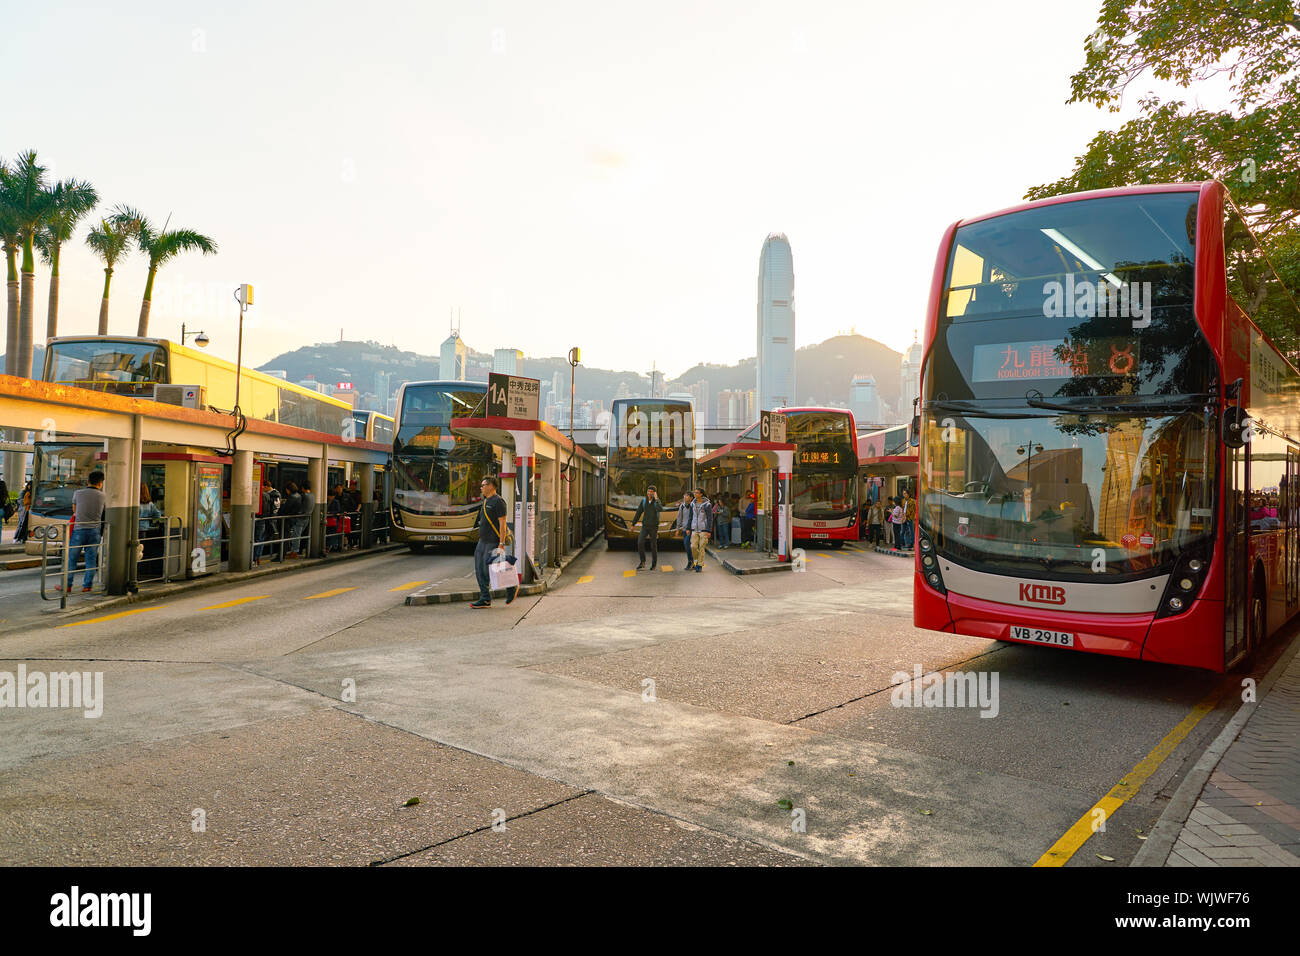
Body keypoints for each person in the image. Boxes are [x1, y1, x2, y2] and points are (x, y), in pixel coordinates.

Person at [470, 475, 515, 608]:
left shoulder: (498, 502)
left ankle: (511, 586)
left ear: (491, 486)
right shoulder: (485, 501)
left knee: (490, 569)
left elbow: (502, 524)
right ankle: (485, 598)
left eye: (483, 485)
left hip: (492, 541)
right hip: (482, 541)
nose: (481, 488)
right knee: (479, 569)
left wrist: (501, 543)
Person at [62, 470, 106, 593]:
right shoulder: (103, 496)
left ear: (88, 481)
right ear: (100, 483)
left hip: (79, 530)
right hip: (95, 531)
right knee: (91, 560)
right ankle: (87, 586)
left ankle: (68, 585)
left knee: (72, 559)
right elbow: (104, 513)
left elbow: (75, 511)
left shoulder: (78, 493)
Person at [631, 484, 663, 570]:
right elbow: (638, 512)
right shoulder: (644, 501)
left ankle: (654, 564)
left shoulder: (657, 501)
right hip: (645, 526)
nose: (650, 493)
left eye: (652, 492)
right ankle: (642, 562)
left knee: (653, 545)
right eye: (648, 491)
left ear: (655, 493)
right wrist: (633, 524)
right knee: (640, 542)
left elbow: (660, 509)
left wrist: (656, 499)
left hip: (654, 526)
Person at [255, 478, 281, 564]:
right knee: (260, 538)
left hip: (262, 519)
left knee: (257, 538)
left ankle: (255, 557)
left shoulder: (266, 495)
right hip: (268, 519)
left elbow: (266, 509)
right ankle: (257, 558)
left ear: (265, 486)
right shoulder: (277, 494)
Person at [687, 487, 712, 572]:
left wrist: (708, 530)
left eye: (697, 493)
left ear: (701, 494)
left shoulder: (707, 505)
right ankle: (697, 561)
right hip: (694, 528)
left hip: (704, 529)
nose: (695, 494)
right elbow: (690, 516)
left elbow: (709, 518)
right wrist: (688, 528)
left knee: (702, 547)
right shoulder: (692, 504)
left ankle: (699, 565)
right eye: (694, 492)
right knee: (693, 546)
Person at [281, 482, 303, 558]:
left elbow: (285, 509)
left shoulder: (291, 497)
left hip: (288, 519)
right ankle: (285, 553)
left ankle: (282, 555)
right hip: (294, 518)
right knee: (290, 536)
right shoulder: (299, 496)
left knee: (285, 536)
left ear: (288, 489)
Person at [676, 491, 695, 570]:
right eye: (684, 495)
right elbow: (679, 517)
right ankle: (692, 562)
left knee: (687, 544)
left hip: (691, 529)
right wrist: (677, 528)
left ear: (691, 498)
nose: (685, 497)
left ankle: (690, 562)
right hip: (684, 529)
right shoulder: (682, 506)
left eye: (687, 496)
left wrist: (690, 528)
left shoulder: (693, 506)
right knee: (687, 545)